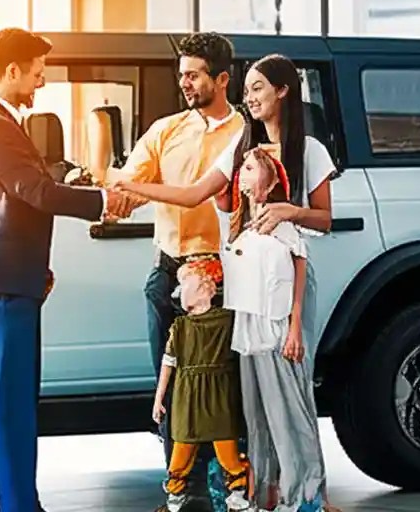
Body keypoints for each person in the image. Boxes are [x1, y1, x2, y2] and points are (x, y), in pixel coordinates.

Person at [117, 53, 343, 512]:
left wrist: (289, 211)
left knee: (292, 394)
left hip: (286, 286)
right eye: (247, 90)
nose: (250, 98)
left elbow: (324, 219)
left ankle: (308, 496)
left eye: (258, 88)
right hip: (244, 289)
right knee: (250, 400)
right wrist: (132, 187)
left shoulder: (310, 150)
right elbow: (193, 193)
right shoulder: (241, 147)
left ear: (282, 90)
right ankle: (265, 493)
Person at [0, 27, 133, 512]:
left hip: (8, 279)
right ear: (11, 71)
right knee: (14, 405)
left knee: (12, 401)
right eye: (36, 74)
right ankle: (18, 507)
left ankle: (19, 504)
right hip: (2, 283)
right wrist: (104, 200)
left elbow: (23, 195)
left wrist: (37, 268)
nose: (40, 83)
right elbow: (35, 192)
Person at [111, 32, 246, 496]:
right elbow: (128, 181)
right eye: (182, 74)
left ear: (222, 78)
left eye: (194, 75)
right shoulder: (166, 130)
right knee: (171, 390)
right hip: (168, 273)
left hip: (222, 281)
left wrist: (132, 190)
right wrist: (118, 196)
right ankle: (179, 490)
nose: (184, 83)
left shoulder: (243, 135)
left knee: (221, 391)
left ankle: (227, 486)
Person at [224, 146, 329, 512]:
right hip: (247, 328)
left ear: (268, 182)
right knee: (257, 418)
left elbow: (299, 266)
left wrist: (295, 326)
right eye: (242, 167)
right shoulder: (241, 226)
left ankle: (304, 494)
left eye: (250, 167)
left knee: (287, 413)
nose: (242, 172)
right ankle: (263, 493)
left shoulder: (280, 224)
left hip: (275, 325)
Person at [150, 253, 252, 512]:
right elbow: (168, 362)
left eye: (187, 285)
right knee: (182, 450)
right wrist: (159, 398)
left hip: (218, 395)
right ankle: (175, 498)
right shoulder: (180, 328)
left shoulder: (226, 320)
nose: (181, 291)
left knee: (227, 449)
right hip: (187, 397)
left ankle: (238, 496)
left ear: (205, 288)